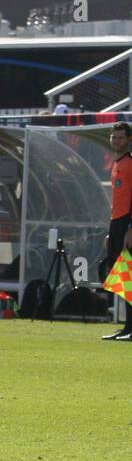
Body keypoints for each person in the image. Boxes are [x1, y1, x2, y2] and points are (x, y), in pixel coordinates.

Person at [101, 122, 132, 340]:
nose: (116, 141)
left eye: (120, 137)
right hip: (117, 223)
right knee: (124, 279)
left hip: (127, 224)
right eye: (113, 137)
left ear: (129, 139)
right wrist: (113, 230)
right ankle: (128, 328)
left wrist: (130, 229)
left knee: (130, 277)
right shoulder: (116, 163)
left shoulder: (130, 163)